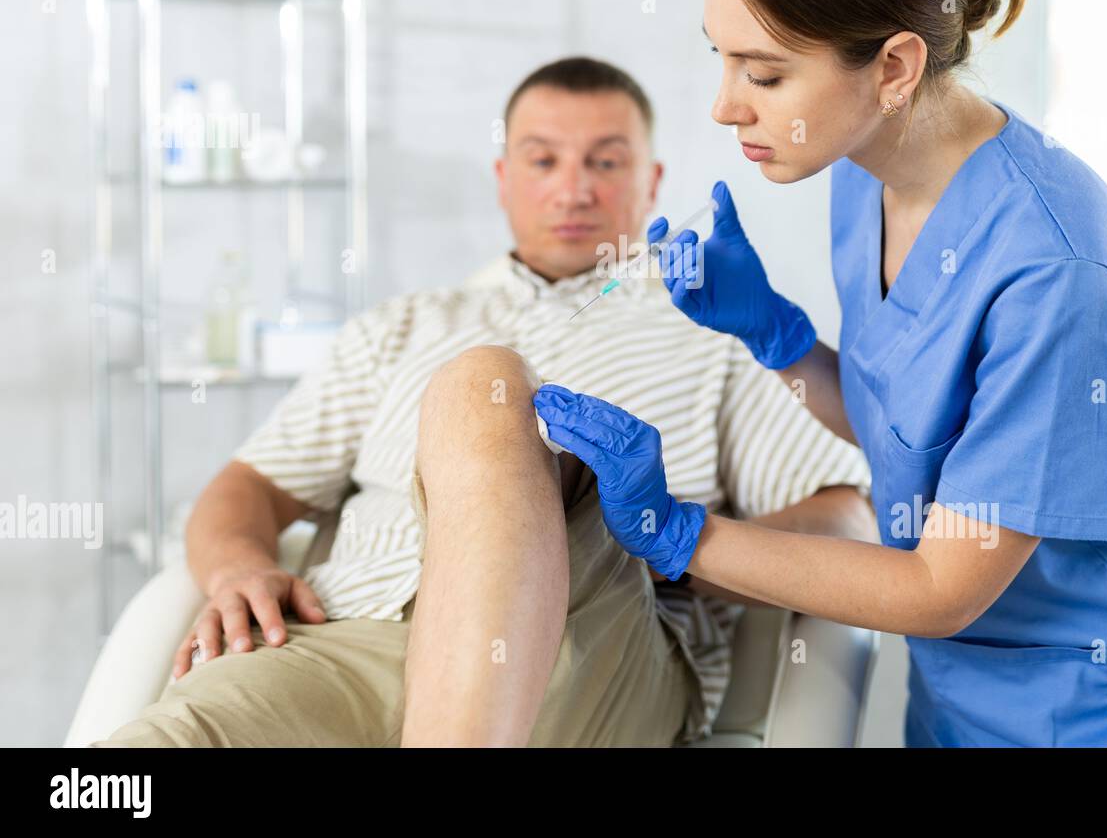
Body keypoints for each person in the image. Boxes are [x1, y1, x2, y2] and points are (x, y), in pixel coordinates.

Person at [534, 0, 1107, 748]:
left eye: (763, 74)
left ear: (895, 65)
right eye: (721, 61)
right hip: (964, 705)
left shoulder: (1058, 275)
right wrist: (779, 338)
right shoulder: (866, 181)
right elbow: (911, 432)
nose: (725, 107)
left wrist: (682, 535)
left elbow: (942, 588)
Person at [90, 56, 872, 748]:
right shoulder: (398, 327)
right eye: (543, 160)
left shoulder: (714, 323)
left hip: (586, 656)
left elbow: (847, 518)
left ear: (652, 181)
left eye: (606, 160)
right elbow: (247, 488)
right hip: (346, 641)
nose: (573, 187)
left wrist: (677, 537)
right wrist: (238, 568)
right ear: (503, 177)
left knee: (483, 386)